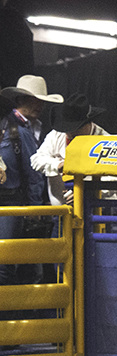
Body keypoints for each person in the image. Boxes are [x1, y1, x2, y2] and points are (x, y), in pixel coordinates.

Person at [0, 74, 62, 287]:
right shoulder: (19, 131)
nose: (39, 105)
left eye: (41, 101)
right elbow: (34, 176)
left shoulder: (23, 128)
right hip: (13, 202)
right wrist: (35, 210)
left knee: (12, 261)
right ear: (20, 101)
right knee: (9, 262)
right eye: (34, 100)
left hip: (16, 202)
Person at [30, 93, 110, 206]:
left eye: (76, 128)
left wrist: (86, 193)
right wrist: (57, 165)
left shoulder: (106, 141)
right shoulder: (56, 135)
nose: (70, 133)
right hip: (60, 210)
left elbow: (113, 180)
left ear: (88, 124)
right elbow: (36, 159)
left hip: (95, 209)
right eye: (67, 128)